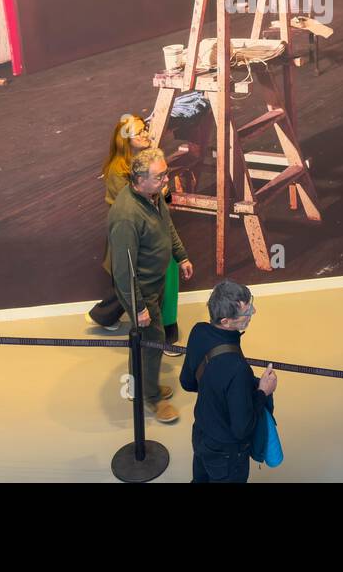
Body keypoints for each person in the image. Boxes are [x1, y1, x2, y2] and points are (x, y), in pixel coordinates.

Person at [108, 147, 193, 424]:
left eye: (165, 174)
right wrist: (139, 306)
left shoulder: (152, 196)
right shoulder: (126, 215)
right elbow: (123, 272)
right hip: (141, 292)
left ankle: (139, 387)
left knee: (144, 342)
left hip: (155, 285)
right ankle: (152, 398)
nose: (166, 180)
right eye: (159, 176)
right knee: (152, 342)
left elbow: (167, 227)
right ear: (139, 179)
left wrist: (181, 256)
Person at [88, 114, 183, 353]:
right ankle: (159, 338)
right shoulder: (118, 172)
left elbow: (162, 201)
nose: (146, 135)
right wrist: (161, 194)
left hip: (151, 236)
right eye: (139, 132)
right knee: (134, 285)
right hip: (137, 239)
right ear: (125, 140)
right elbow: (137, 206)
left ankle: (105, 316)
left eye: (145, 129)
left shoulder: (146, 162)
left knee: (147, 288)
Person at [179, 280, 277, 483]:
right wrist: (263, 392)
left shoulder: (199, 331)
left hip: (201, 434)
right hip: (227, 454)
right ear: (226, 321)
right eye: (247, 311)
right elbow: (241, 430)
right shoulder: (238, 369)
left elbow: (187, 382)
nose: (254, 312)